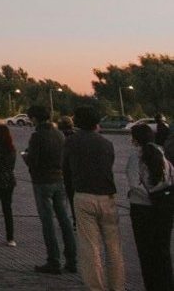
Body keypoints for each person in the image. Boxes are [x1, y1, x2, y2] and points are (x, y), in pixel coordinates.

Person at [63, 106, 124, 290]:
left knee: (90, 247)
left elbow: (66, 168)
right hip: (107, 195)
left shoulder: (72, 142)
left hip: (84, 195)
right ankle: (117, 285)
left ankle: (96, 286)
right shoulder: (106, 143)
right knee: (113, 247)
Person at [24, 105, 76, 275]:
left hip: (42, 181)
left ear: (34, 118)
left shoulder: (37, 136)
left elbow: (34, 161)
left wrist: (25, 157)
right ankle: (72, 260)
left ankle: (53, 260)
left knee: (47, 222)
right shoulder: (59, 134)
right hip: (59, 180)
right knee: (65, 220)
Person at [126, 122, 174, 291]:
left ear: (135, 139)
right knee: (163, 250)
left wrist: (149, 194)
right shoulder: (162, 155)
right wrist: (158, 193)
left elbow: (135, 185)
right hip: (163, 208)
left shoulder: (135, 158)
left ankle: (152, 286)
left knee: (146, 253)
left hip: (142, 210)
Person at [57, 115, 77, 227]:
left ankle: (63, 220)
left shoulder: (59, 137)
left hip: (63, 171)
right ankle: (75, 220)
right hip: (75, 171)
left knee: (62, 199)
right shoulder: (76, 136)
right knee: (74, 198)